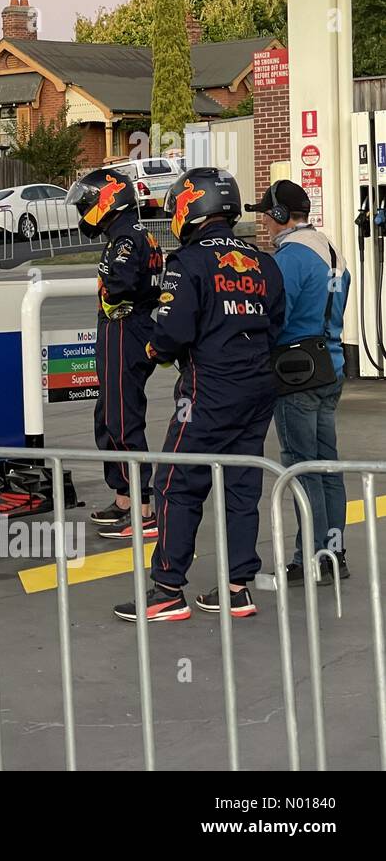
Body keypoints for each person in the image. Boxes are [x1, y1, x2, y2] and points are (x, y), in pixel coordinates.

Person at [114, 167, 285, 623]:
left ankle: (168, 589)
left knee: (176, 481)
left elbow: (172, 332)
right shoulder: (263, 261)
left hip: (210, 388)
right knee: (242, 485)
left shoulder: (187, 262)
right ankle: (237, 589)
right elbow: (276, 324)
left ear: (193, 206)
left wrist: (153, 349)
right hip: (259, 386)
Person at [248, 180, 350, 586]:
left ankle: (309, 557)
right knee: (328, 466)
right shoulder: (332, 250)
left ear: (280, 215)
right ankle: (333, 553)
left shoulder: (289, 258)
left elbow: (275, 315)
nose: (265, 223)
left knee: (301, 466)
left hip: (295, 372)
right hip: (332, 366)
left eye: (266, 215)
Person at [65, 168, 164, 540]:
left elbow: (118, 288)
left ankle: (142, 508)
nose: (83, 212)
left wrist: (108, 289)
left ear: (107, 202)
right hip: (127, 328)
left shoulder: (125, 239)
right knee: (108, 414)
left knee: (122, 418)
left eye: (86, 203)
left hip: (125, 328)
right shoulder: (135, 233)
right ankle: (125, 498)